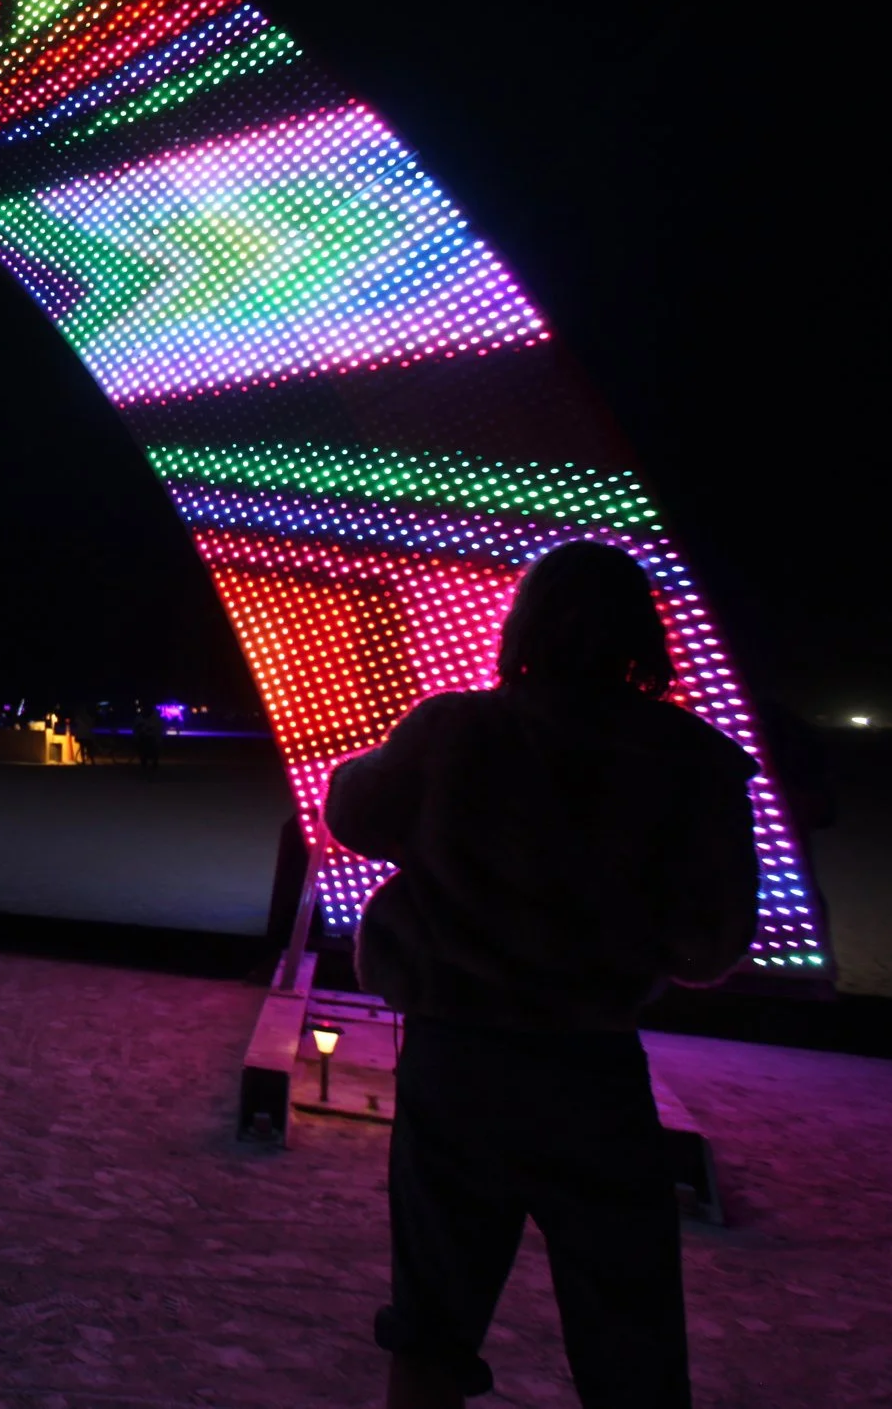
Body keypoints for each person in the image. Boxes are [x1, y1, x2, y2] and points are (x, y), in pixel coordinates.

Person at [324, 541, 761, 1409]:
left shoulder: (453, 731)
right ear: (644, 631)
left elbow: (350, 812)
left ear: (525, 623)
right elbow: (711, 948)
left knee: (432, 1324)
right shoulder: (693, 762)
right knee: (629, 1336)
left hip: (455, 1063)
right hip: (593, 1077)